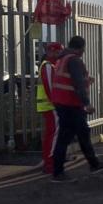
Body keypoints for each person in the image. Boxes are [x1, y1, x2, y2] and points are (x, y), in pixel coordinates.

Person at [50, 35, 103, 183]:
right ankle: (61, 172)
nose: (84, 51)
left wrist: (86, 81)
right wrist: (86, 103)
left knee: (71, 135)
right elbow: (77, 83)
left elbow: (70, 80)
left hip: (62, 102)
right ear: (81, 47)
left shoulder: (62, 59)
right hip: (71, 104)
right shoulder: (74, 60)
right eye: (84, 48)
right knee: (76, 134)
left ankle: (90, 164)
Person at [35, 42, 64, 174]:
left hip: (49, 104)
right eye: (58, 52)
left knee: (51, 134)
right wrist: (57, 102)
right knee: (53, 134)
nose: (59, 55)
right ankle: (50, 162)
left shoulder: (51, 65)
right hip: (50, 105)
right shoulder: (47, 65)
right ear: (52, 52)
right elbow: (50, 86)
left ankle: (50, 160)